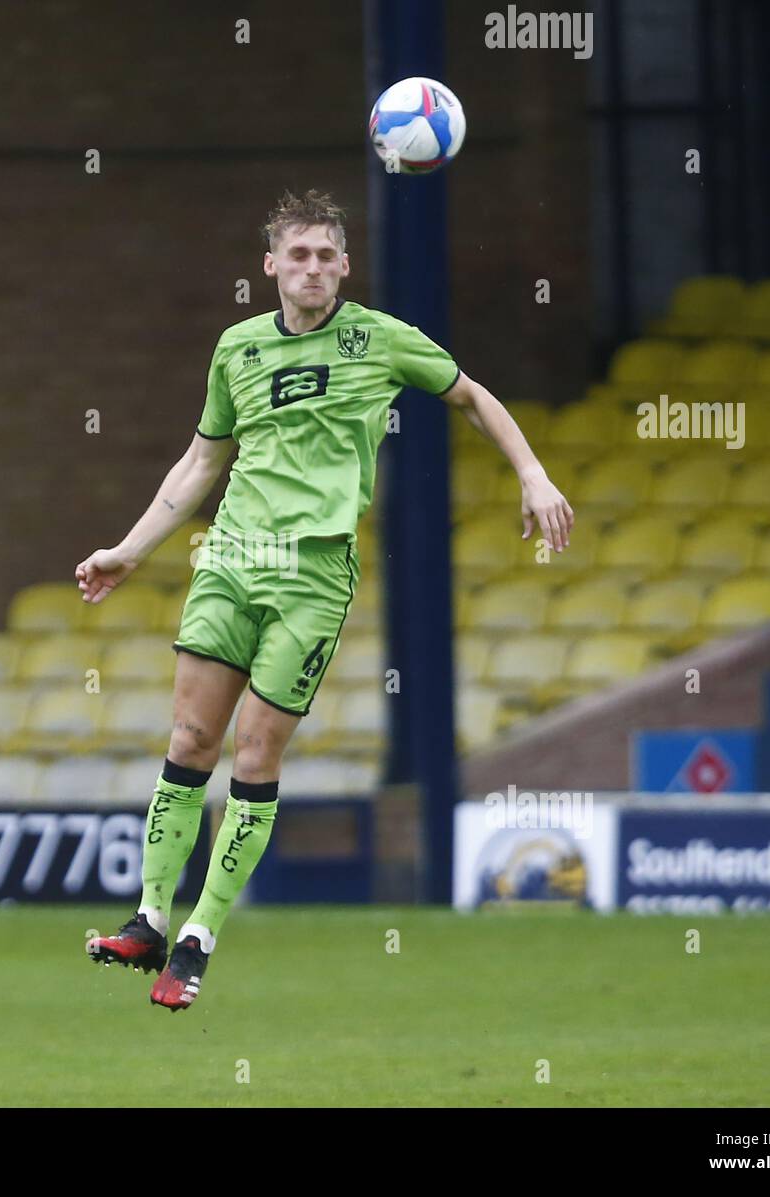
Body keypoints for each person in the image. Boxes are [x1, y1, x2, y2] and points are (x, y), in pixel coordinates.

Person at [77, 189, 573, 1011]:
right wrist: (130, 550)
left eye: (326, 255)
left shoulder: (378, 339)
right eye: (296, 254)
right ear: (270, 265)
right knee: (191, 735)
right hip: (232, 559)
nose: (312, 268)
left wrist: (533, 472)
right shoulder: (236, 347)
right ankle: (148, 919)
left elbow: (471, 395)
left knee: (255, 756)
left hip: (312, 576)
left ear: (345, 265)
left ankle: (199, 936)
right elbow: (201, 462)